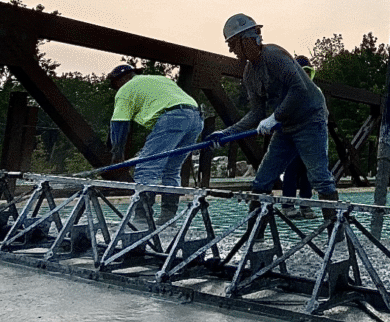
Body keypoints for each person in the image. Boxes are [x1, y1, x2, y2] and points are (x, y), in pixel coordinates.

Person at [210, 13, 338, 208]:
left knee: (320, 178)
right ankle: (256, 235)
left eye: (233, 44)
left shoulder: (274, 55)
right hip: (286, 127)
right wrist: (225, 134)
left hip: (309, 121)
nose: (231, 49)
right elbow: (256, 113)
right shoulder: (250, 74)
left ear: (247, 41)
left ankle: (336, 235)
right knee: (261, 182)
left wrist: (274, 117)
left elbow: (299, 89)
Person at [106, 64, 205, 209]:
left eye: (115, 85)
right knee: (172, 169)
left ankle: (142, 219)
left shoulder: (125, 89)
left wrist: (117, 155)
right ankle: (168, 218)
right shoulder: (159, 79)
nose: (116, 89)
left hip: (172, 118)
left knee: (146, 168)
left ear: (121, 80)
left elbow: (119, 124)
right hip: (196, 119)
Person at [280, 56, 316, 215]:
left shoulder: (314, 91)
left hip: (309, 138)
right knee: (291, 170)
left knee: (307, 172)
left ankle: (305, 205)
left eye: (307, 72)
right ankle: (288, 205)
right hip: (293, 137)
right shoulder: (289, 90)